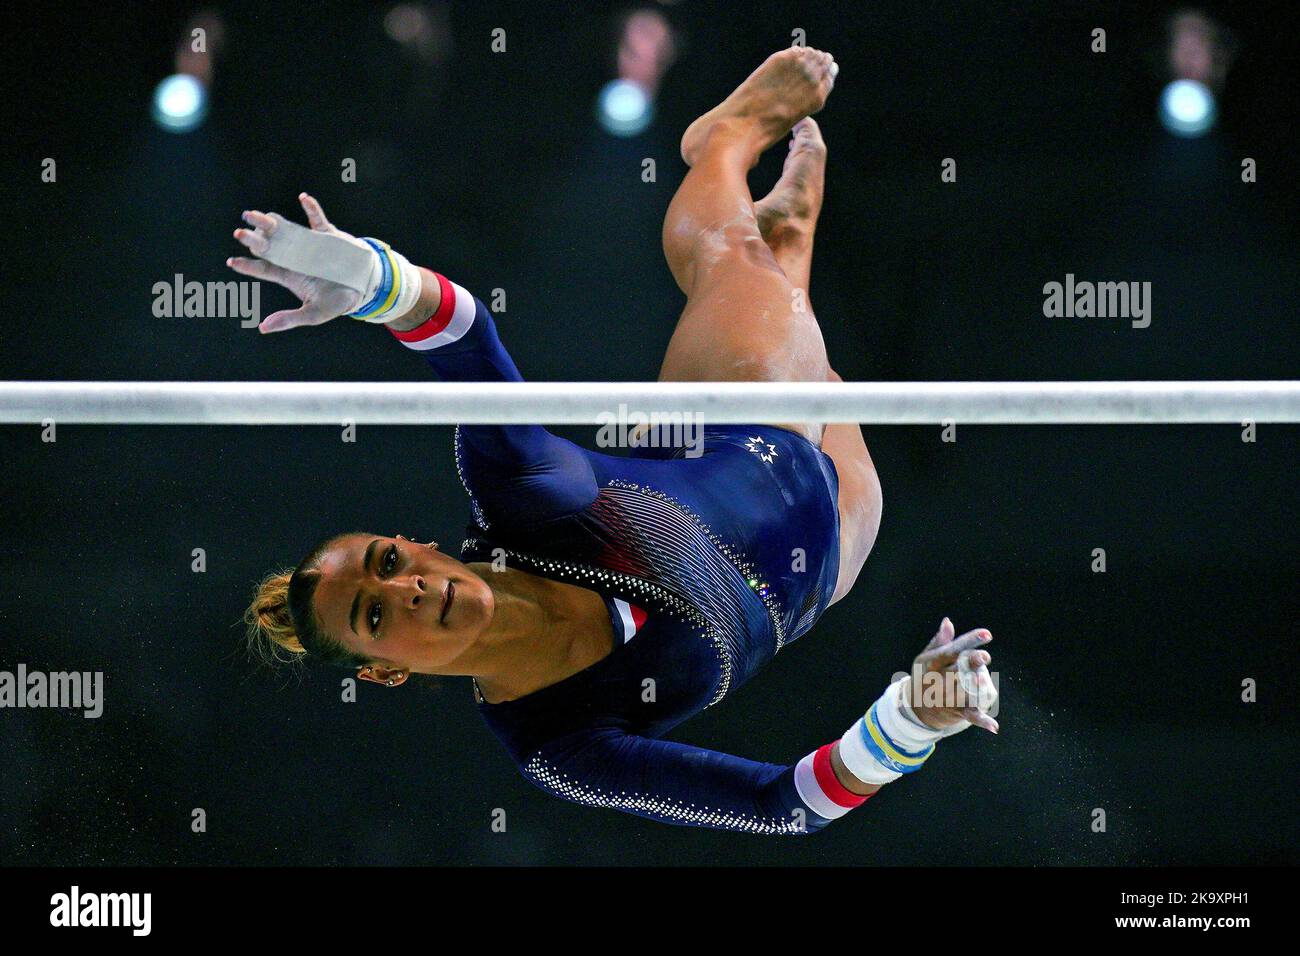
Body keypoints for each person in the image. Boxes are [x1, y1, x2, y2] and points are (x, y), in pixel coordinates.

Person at [239, 47, 999, 835]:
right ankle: (787, 242)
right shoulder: (560, 746)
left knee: (735, 264)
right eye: (372, 614)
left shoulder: (515, 496)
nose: (406, 589)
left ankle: (725, 142)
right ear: (387, 671)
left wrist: (370, 281)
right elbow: (784, 808)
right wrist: (907, 725)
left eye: (387, 563)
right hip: (831, 552)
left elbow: (466, 338)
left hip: (739, 421)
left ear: (412, 545)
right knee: (792, 314)